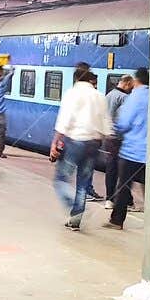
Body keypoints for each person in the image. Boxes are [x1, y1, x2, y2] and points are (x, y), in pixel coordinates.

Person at [51, 67, 110, 230]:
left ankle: (72, 206)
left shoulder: (72, 93)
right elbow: (106, 125)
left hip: (76, 142)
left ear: (76, 78)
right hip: (94, 144)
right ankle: (75, 220)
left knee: (60, 180)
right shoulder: (99, 96)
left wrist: (55, 143)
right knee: (83, 183)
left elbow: (64, 120)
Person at [106, 68, 149, 229]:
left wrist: (115, 133)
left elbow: (124, 123)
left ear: (136, 81)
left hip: (132, 151)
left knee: (123, 186)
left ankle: (117, 220)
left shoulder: (135, 97)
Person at [100, 74, 135, 203]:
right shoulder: (125, 98)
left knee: (111, 167)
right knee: (123, 170)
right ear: (126, 83)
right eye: (131, 86)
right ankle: (125, 200)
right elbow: (128, 119)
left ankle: (110, 198)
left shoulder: (109, 95)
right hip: (119, 138)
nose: (131, 89)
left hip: (109, 137)